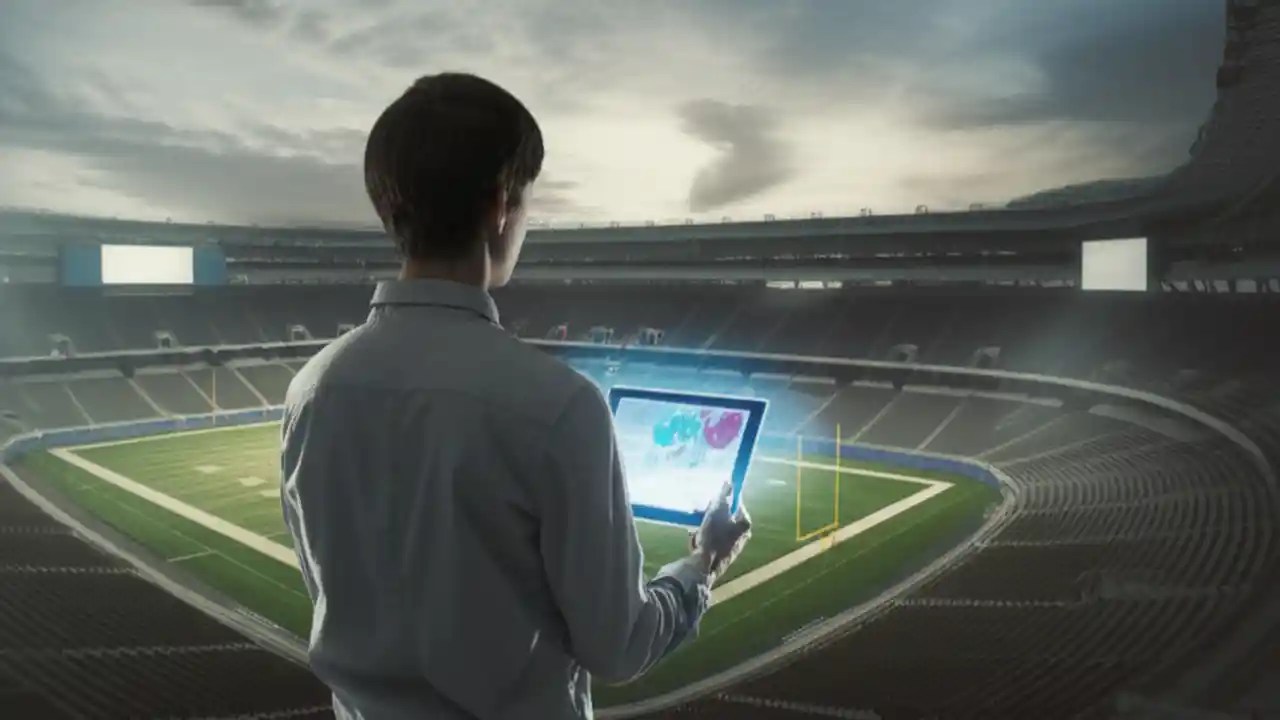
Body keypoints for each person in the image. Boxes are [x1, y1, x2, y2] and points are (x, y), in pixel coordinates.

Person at [280, 73, 753, 720]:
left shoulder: (310, 392)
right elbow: (619, 647)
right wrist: (703, 565)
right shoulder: (558, 407)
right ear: (502, 205)